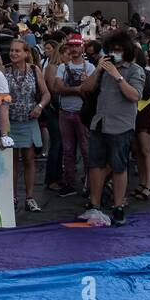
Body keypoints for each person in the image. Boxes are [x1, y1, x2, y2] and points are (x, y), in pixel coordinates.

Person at [4, 37, 48, 213]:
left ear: (26, 53)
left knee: (29, 159)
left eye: (17, 51)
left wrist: (39, 107)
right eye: (12, 50)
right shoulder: (4, 70)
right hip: (10, 122)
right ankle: (12, 197)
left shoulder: (34, 69)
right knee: (12, 162)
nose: (13, 53)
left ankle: (29, 197)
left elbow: (46, 94)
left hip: (29, 120)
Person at [48, 33, 93, 197]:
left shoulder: (90, 67)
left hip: (82, 113)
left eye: (76, 46)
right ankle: (70, 181)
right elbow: (57, 87)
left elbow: (91, 89)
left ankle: (90, 182)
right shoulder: (62, 67)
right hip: (66, 112)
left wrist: (74, 89)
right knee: (68, 150)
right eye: (71, 46)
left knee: (86, 149)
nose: (74, 49)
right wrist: (79, 89)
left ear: (82, 47)